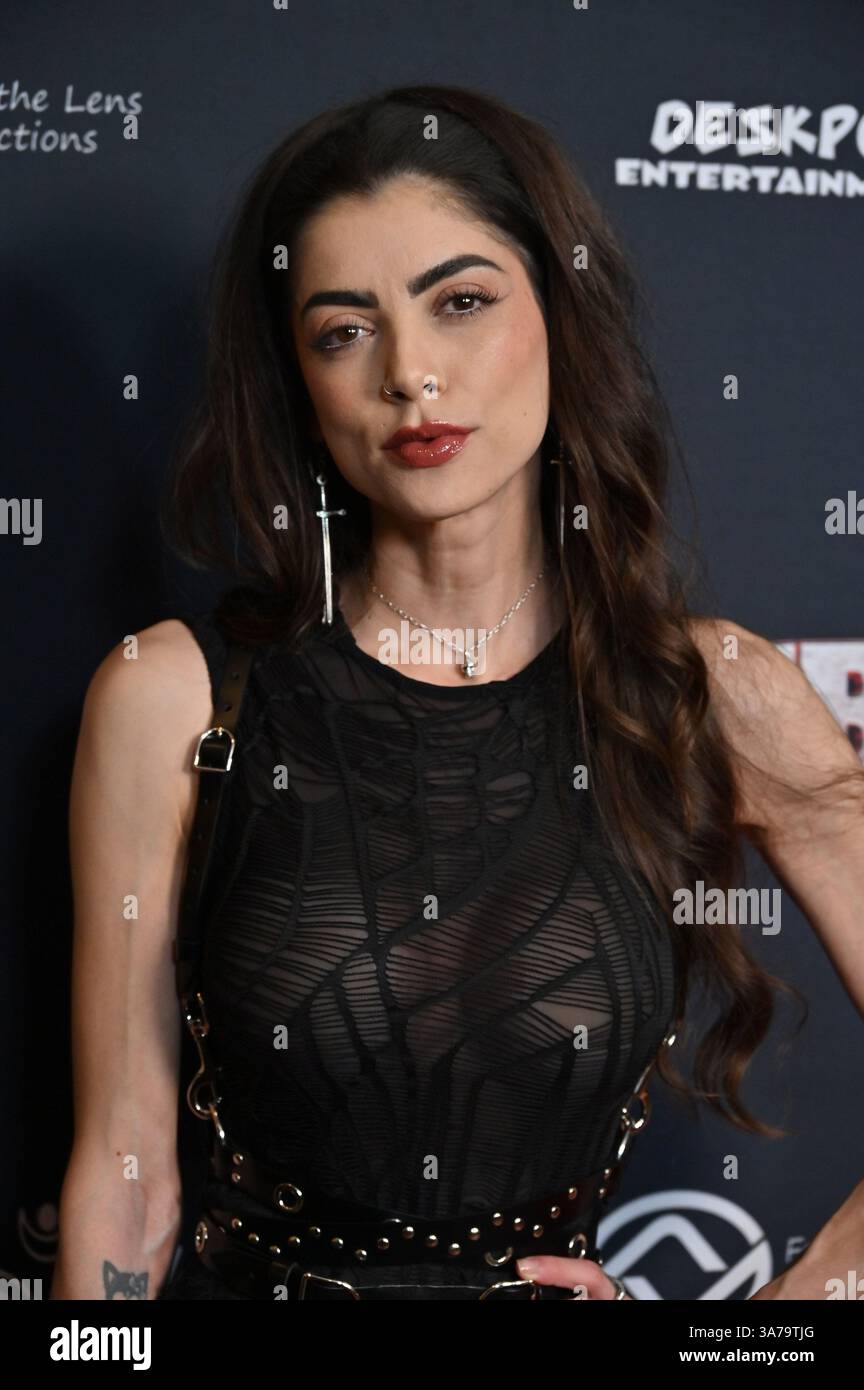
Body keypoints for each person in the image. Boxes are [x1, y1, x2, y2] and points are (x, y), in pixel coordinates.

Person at [50, 85, 864, 1302]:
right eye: (344, 330)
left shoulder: (715, 694)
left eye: (462, 302)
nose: (411, 374)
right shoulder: (172, 698)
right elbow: (126, 1174)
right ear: (300, 384)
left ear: (560, 319)